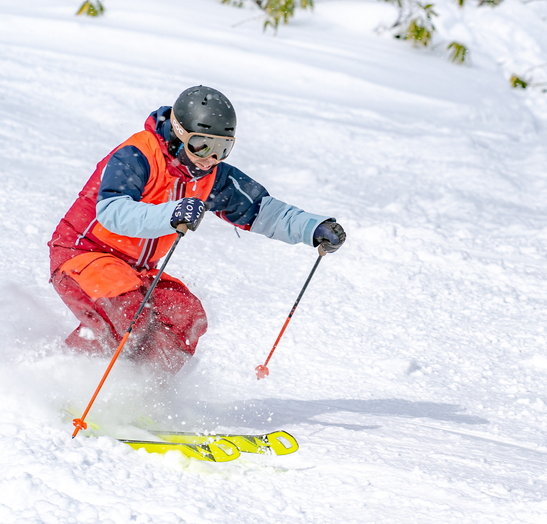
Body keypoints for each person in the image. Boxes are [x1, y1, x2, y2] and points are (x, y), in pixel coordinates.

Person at [48, 86, 346, 372]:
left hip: (135, 270)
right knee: (127, 310)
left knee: (183, 315)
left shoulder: (210, 175)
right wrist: (171, 213)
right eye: (201, 144)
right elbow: (113, 212)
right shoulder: (137, 155)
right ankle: (68, 379)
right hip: (82, 255)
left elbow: (262, 210)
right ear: (180, 133)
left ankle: (141, 394)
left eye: (222, 148)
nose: (210, 157)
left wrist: (312, 228)